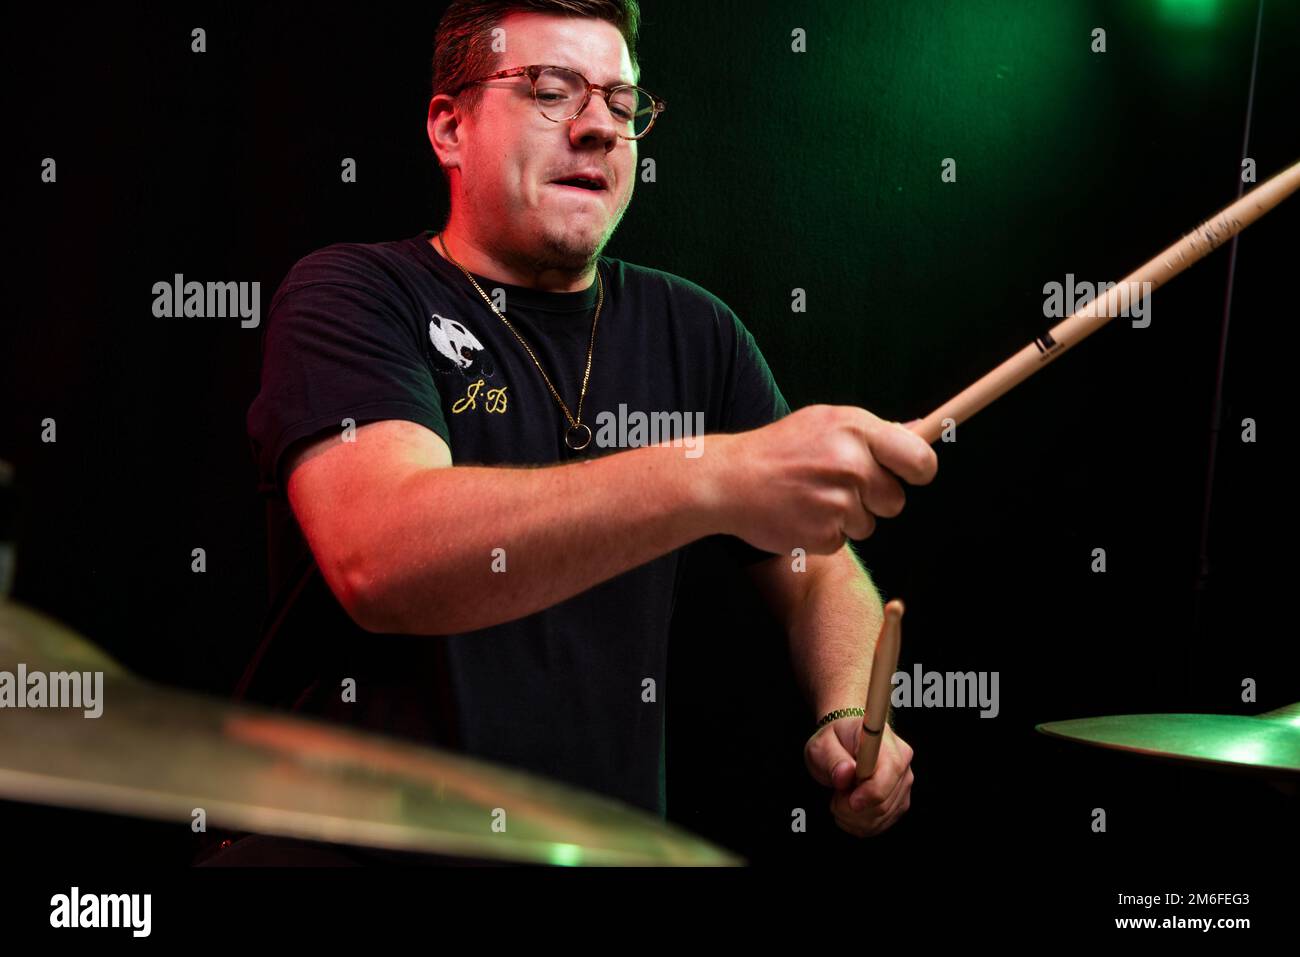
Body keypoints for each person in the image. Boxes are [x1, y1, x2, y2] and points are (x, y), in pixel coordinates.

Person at [211, 0, 935, 864]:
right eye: (553, 91)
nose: (598, 129)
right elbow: (382, 556)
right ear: (450, 125)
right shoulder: (355, 295)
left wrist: (850, 710)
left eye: (624, 107)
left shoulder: (693, 330)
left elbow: (814, 566)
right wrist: (713, 474)